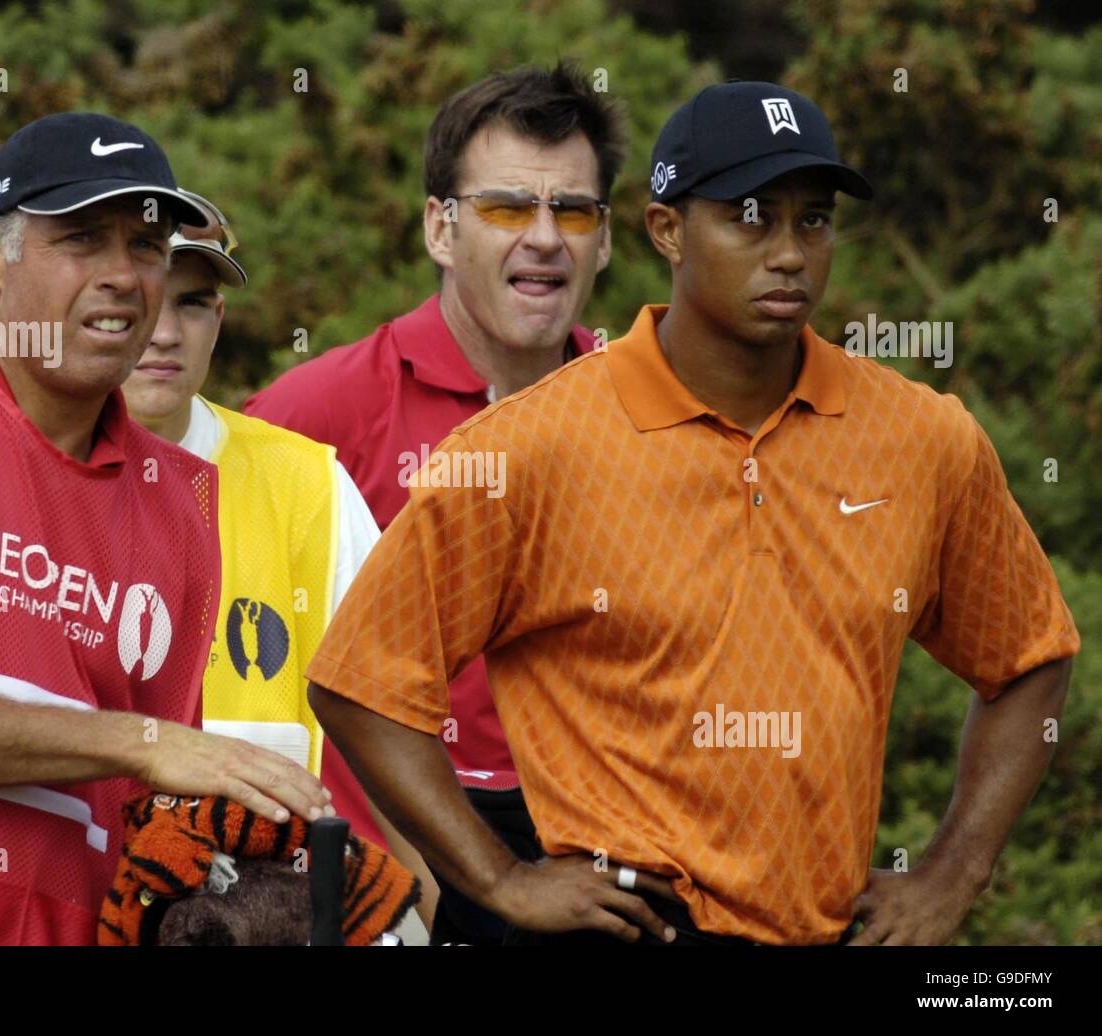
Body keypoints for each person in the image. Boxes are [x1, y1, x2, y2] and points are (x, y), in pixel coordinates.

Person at [303, 82, 1080, 946]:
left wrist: (950, 877)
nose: (790, 252)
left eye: (813, 220)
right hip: (623, 924)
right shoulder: (526, 450)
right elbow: (359, 683)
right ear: (668, 230)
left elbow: (1029, 661)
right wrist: (499, 881)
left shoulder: (926, 438)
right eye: (751, 217)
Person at [0, 112, 330, 945]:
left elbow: (141, 805)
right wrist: (140, 742)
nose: (124, 275)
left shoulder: (181, 500)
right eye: (83, 240)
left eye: (147, 247)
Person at [245, 62, 625, 940]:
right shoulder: (315, 413)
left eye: (572, 212)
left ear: (604, 240)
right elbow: (242, 665)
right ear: (439, 229)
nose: (544, 238)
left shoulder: (649, 412)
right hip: (390, 852)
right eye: (504, 209)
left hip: (605, 853)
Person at [118, 192, 429, 940]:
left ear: (219, 320)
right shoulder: (16, 470)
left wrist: (422, 897)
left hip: (279, 909)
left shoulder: (305, 481)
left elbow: (391, 713)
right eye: (145, 298)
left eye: (191, 303)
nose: (165, 331)